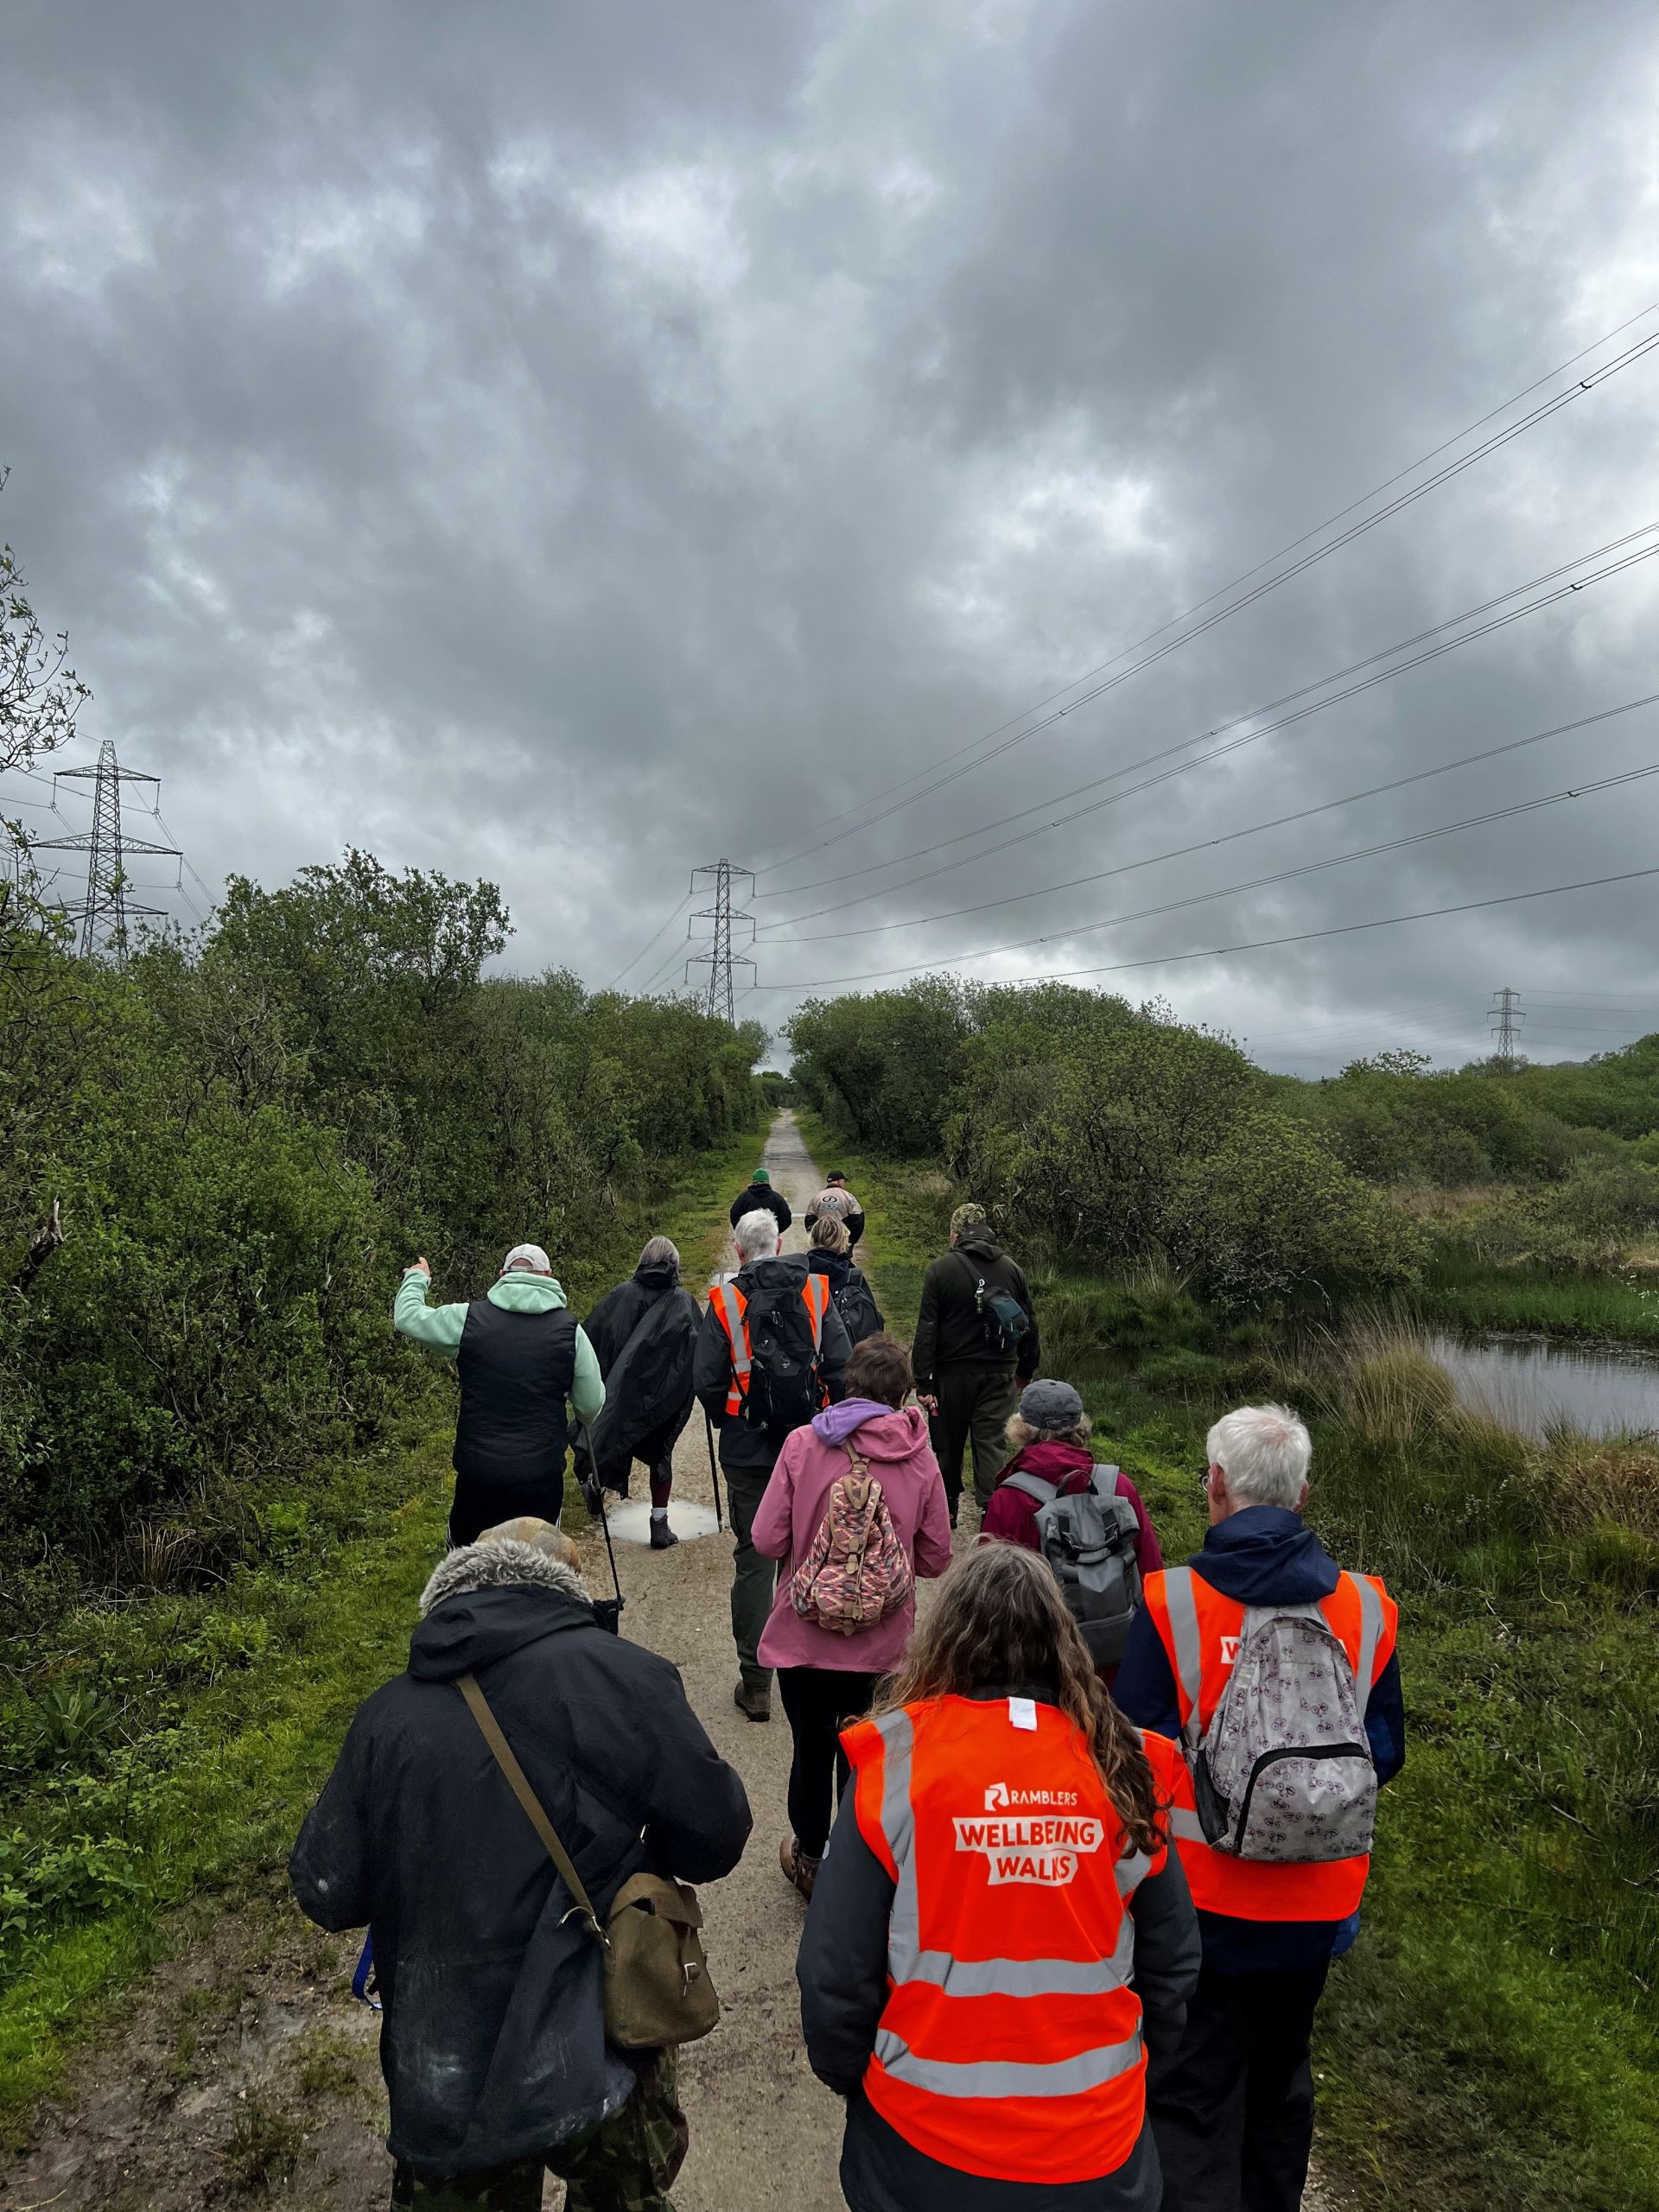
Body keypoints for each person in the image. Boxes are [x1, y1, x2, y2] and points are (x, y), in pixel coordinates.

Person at [290, 1516, 752, 2211]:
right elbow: (716, 1838)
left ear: (453, 1592)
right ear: (565, 1586)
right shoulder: (628, 1676)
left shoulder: (386, 1720)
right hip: (604, 2042)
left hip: (446, 2075)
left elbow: (326, 1891)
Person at [798, 1543, 1201, 2212]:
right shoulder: (1125, 1769)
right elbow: (1173, 1964)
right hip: (1098, 2156)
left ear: (944, 1641)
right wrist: (1131, 2082)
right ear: (1063, 1643)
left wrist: (857, 2085)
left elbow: (834, 1975)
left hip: (922, 2149)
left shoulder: (895, 1767)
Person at [1114, 1405, 1404, 2212]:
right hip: (1319, 1905)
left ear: (1215, 1484)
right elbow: (1384, 1754)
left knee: (1193, 2093)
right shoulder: (1368, 1608)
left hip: (1199, 1903)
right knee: (1280, 2085)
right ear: (1302, 1494)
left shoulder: (1172, 1603)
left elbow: (1131, 1762)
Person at [752, 1332, 951, 1899]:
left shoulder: (802, 1444)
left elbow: (766, 1539)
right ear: (903, 1394)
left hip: (804, 1642)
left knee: (811, 1754)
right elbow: (936, 1558)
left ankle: (810, 1860)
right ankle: (858, 1871)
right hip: (884, 1651)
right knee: (867, 1762)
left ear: (847, 1385)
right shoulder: (920, 1457)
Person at [694, 1207, 852, 1723]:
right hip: (813, 1447)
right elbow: (841, 1366)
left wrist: (732, 1417)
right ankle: (818, 1666)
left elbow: (706, 1380)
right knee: (818, 1551)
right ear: (780, 1245)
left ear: (739, 1252)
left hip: (748, 1450)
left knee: (755, 1559)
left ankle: (758, 1684)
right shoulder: (817, 1291)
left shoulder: (724, 1300)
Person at [395, 1244, 604, 1545]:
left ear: (502, 1275)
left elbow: (408, 1317)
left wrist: (417, 1278)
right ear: (548, 1275)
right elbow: (591, 1404)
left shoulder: (468, 1319)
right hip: (540, 1478)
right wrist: (580, 1414)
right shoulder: (570, 1332)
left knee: (469, 1562)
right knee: (535, 1564)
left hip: (479, 1476)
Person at [912, 1203, 1039, 1526]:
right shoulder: (1011, 1269)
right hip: (999, 1373)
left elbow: (927, 1328)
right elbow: (1029, 1325)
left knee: (949, 1443)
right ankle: (991, 1512)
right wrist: (1025, 1371)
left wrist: (924, 1381)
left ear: (956, 1233)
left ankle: (947, 1508)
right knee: (992, 1443)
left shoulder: (941, 1269)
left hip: (951, 1374)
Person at [580, 1236, 701, 1549]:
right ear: (675, 1264)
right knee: (661, 1454)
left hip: (619, 1396)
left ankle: (596, 1488)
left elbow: (592, 1338)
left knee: (609, 1434)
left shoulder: (620, 1294)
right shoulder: (682, 1300)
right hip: (660, 1400)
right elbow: (697, 1351)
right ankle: (659, 1523)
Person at [981, 1379, 1164, 1578]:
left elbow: (986, 1582)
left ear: (1021, 1429)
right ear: (1080, 1426)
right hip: (1116, 1600)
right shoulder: (1119, 1487)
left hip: (1038, 1599)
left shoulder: (1008, 1498)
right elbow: (1152, 1569)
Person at [806, 1212, 885, 1346]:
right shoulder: (853, 1277)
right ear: (843, 1241)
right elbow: (873, 1324)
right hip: (843, 1349)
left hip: (807, 1349)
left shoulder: (799, 1272)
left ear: (813, 1239)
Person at [804, 1170, 866, 1252]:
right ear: (840, 1181)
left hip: (822, 1241)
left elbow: (809, 1219)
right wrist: (851, 1240)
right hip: (842, 1241)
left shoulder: (817, 1197)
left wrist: (815, 1238)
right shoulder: (849, 1197)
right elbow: (858, 1220)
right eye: (844, 1181)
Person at [728, 1164, 791, 1236]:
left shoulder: (743, 1197)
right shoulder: (777, 1198)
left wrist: (743, 1232)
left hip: (749, 1237)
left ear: (753, 1182)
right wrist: (775, 1231)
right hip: (770, 1238)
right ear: (767, 1182)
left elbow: (734, 1215)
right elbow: (787, 1218)